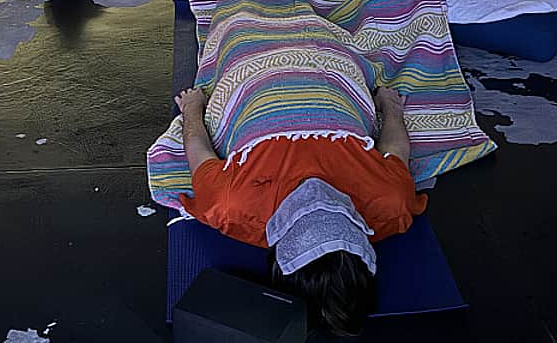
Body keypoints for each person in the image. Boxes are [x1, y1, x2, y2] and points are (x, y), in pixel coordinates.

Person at [175, 84, 423, 335]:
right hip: (305, 81)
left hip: (293, 80)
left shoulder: (391, 202)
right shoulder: (230, 205)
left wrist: (390, 107)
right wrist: (192, 108)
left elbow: (396, 149)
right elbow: (198, 149)